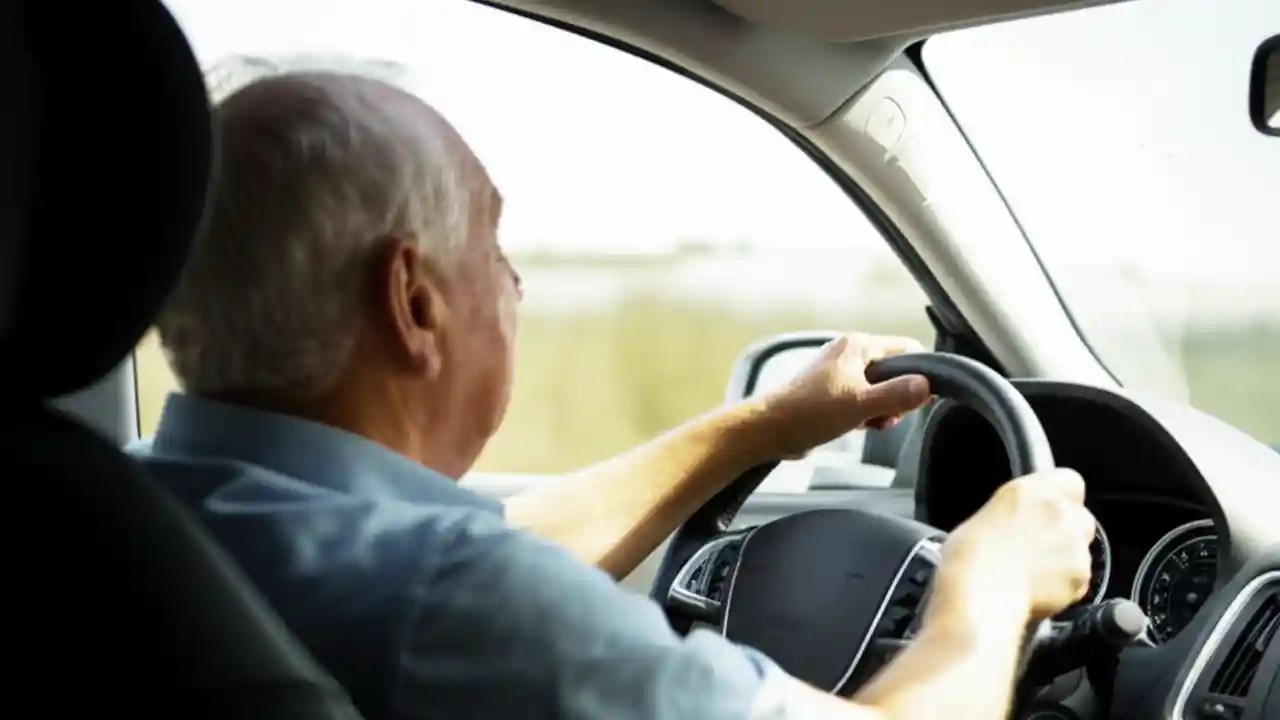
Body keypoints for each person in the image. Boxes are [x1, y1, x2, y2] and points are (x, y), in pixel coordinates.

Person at [132, 70, 1096, 720]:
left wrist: (765, 426)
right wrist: (992, 582)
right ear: (414, 300)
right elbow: (466, 588)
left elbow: (477, 559)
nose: (514, 288)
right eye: (494, 251)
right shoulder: (453, 605)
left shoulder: (133, 503)